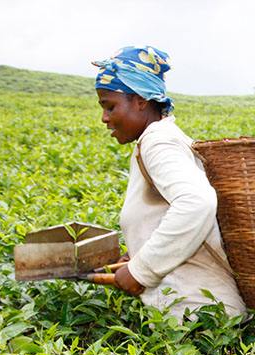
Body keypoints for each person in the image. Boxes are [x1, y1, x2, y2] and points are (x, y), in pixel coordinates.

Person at [93, 46, 245, 319]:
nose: (104, 117)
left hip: (197, 317)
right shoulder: (159, 139)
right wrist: (138, 254)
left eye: (110, 106)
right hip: (195, 316)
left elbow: (197, 203)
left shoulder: (158, 142)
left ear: (140, 100)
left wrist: (143, 270)